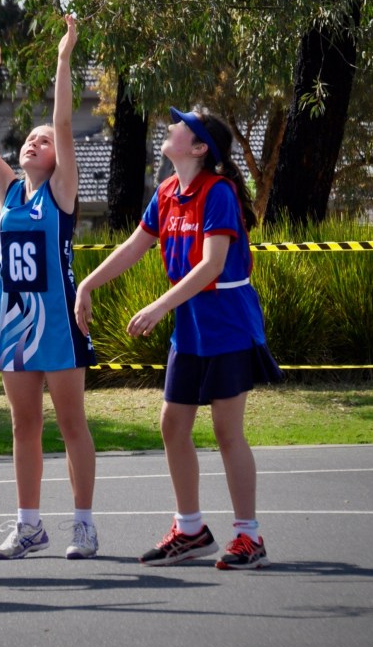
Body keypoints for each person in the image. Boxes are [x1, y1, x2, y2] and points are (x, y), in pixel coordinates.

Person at [75, 107, 283, 570]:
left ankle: (250, 537)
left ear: (199, 147)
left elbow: (212, 265)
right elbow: (134, 246)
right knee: (173, 425)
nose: (171, 127)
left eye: (182, 124)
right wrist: (88, 285)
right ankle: (190, 529)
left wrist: (158, 305)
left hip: (227, 321)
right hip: (190, 324)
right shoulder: (168, 191)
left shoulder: (219, 193)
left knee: (228, 431)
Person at [0, 14, 99, 561]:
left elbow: (64, 125)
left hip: (57, 321)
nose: (34, 142)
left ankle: (84, 524)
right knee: (24, 426)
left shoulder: (60, 193)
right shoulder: (8, 193)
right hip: (13, 319)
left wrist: (65, 57)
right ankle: (28, 526)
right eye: (28, 139)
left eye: (40, 141)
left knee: (71, 423)